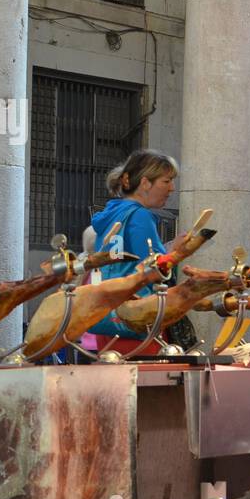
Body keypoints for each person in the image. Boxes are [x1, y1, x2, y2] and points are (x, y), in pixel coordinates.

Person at [84, 149, 181, 350]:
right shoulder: (140, 216)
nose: (172, 188)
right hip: (136, 321)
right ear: (145, 183)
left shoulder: (112, 215)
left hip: (107, 321)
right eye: (167, 181)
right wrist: (178, 251)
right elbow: (154, 269)